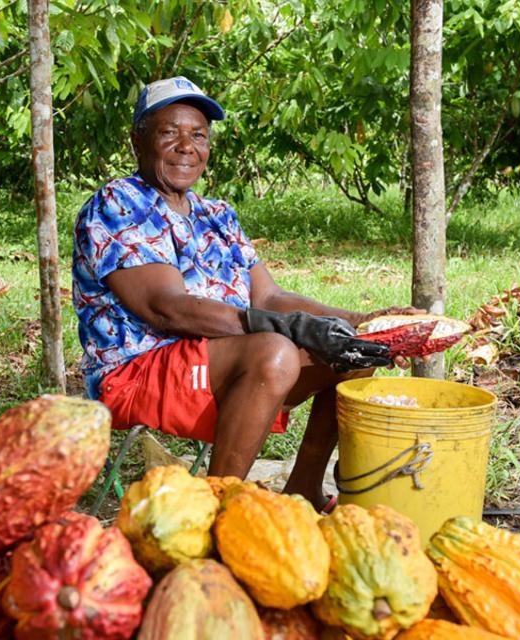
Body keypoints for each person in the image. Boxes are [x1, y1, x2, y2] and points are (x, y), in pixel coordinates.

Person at [72, 77, 416, 512]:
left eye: (198, 135)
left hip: (216, 357)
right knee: (274, 351)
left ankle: (303, 489)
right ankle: (217, 512)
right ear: (138, 140)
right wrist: (286, 329)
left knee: (353, 353)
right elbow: (167, 309)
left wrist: (363, 322)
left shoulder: (216, 214)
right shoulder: (118, 203)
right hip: (136, 370)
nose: (185, 146)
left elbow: (268, 299)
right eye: (168, 133)